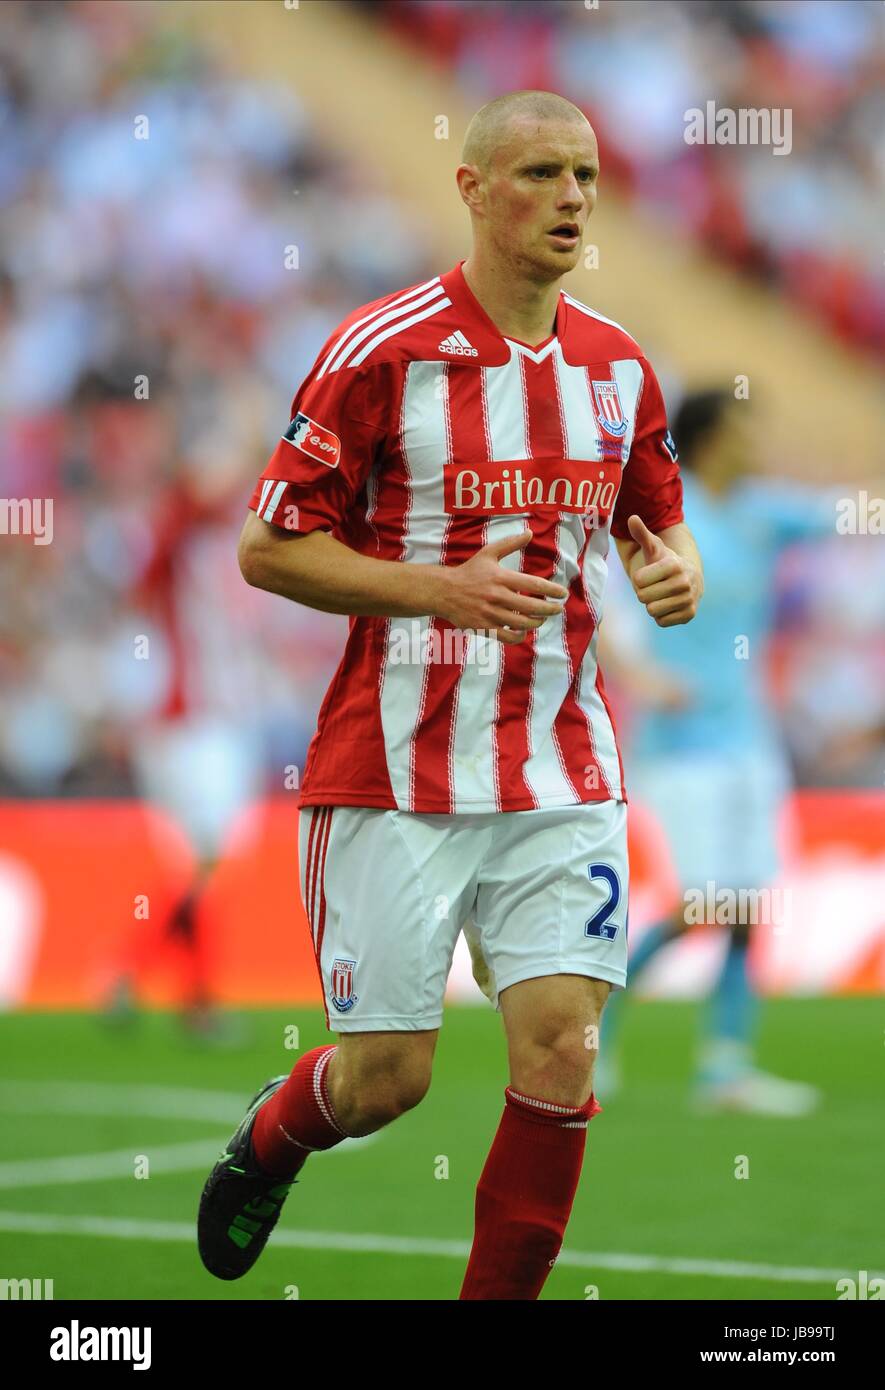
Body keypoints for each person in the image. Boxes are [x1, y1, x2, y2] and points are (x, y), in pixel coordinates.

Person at [197, 89, 702, 1300]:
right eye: (540, 174)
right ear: (472, 189)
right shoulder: (383, 350)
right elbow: (268, 549)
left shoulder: (619, 366)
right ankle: (271, 1138)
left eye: (584, 175)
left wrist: (673, 574)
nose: (572, 198)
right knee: (388, 1081)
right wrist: (436, 590)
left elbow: (660, 529)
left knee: (561, 1055)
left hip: (561, 768)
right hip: (396, 771)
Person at [596, 388, 828, 1116]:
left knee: (746, 902)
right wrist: (640, 676)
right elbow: (606, 602)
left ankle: (725, 1069)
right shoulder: (667, 508)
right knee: (704, 902)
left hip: (747, 739)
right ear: (708, 437)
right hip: (679, 740)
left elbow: (852, 511)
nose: (757, 436)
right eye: (743, 424)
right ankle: (588, 1037)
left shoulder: (764, 510)